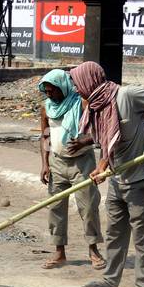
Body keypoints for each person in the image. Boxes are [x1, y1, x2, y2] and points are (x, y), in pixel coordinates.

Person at [68, 61, 144, 287]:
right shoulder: (95, 106)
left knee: (143, 237)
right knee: (115, 233)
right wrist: (101, 167)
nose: (76, 90)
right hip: (117, 178)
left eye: (78, 84)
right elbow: (109, 140)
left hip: (140, 178)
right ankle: (110, 280)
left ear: (89, 81)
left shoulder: (127, 95)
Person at [38, 70, 104, 271]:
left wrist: (84, 141)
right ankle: (59, 252)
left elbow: (100, 130)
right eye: (46, 91)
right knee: (55, 208)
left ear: (64, 88)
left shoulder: (82, 104)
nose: (50, 95)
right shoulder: (46, 108)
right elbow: (45, 136)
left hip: (82, 163)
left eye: (53, 91)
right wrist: (45, 163)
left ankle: (93, 250)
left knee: (88, 207)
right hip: (57, 164)